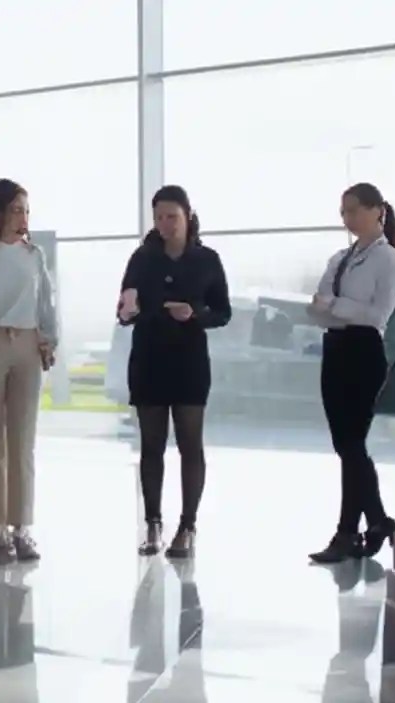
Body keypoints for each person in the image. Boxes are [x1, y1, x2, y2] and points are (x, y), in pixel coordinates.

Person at [117, 185, 231, 558]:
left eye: (172, 217)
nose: (165, 224)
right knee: (151, 446)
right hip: (149, 358)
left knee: (189, 444)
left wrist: (195, 314)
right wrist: (126, 312)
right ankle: (152, 523)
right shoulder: (142, 258)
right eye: (159, 218)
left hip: (189, 361)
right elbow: (124, 308)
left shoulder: (207, 260)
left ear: (187, 216)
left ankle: (188, 525)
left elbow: (223, 312)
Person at [306, 182, 395, 564]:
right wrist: (336, 307)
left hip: (364, 353)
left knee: (352, 446)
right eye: (343, 211)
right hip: (335, 350)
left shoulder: (390, 259)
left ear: (377, 210)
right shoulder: (340, 258)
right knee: (345, 446)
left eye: (353, 210)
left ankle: (349, 532)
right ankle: (376, 521)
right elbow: (316, 308)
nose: (347, 218)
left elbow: (377, 315)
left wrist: (335, 305)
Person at [0, 179, 58, 562]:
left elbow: (46, 301)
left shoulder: (33, 255)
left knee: (23, 440)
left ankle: (23, 529)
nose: (23, 217)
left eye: (26, 210)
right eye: (17, 209)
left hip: (26, 344)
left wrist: (49, 340)